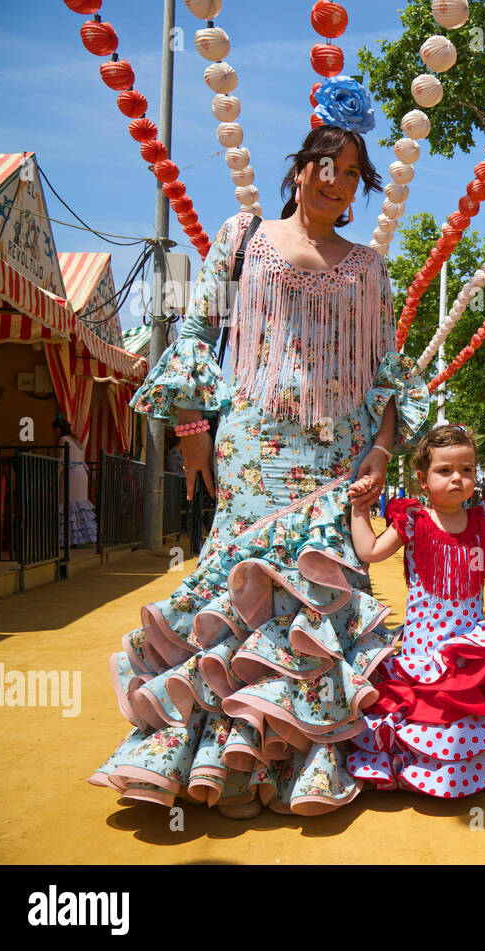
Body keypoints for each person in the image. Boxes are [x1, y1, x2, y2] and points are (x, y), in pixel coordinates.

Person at [89, 81, 430, 818]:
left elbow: (387, 372)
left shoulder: (369, 268)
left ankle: (299, 761)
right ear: (298, 168)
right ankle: (221, 757)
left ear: (359, 189)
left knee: (316, 601)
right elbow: (192, 337)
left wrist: (381, 449)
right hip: (251, 449)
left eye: (348, 172)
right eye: (322, 164)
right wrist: (191, 437)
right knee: (239, 595)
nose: (332, 180)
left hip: (335, 459)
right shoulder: (243, 237)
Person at [344, 424, 485, 796]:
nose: (458, 478)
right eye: (445, 470)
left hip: (470, 643)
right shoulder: (414, 520)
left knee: (468, 709)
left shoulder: (482, 520)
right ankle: (419, 768)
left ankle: (472, 768)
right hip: (423, 646)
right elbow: (370, 552)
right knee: (430, 712)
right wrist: (359, 510)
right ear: (422, 479)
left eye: (467, 470)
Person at [53, 414, 96, 546]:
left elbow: (63, 461)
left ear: (58, 429)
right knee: (79, 505)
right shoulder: (76, 440)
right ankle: (82, 537)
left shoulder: (63, 439)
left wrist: (54, 476)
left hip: (71, 474)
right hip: (81, 473)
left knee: (67, 502)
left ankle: (70, 539)